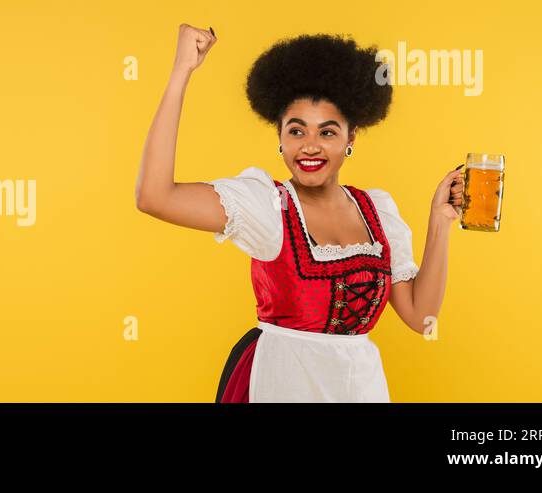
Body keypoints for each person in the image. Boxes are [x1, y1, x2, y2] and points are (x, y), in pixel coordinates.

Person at [134, 25, 465, 402]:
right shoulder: (267, 206)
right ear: (279, 136)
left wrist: (439, 222)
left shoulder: (378, 211)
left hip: (360, 387)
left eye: (327, 133)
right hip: (283, 382)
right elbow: (154, 197)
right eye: (296, 131)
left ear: (350, 137)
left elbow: (422, 318)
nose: (310, 147)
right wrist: (182, 71)